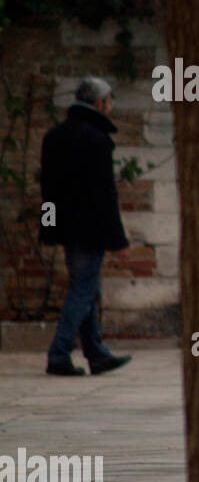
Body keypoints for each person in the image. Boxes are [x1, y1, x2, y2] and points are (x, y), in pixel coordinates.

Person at [39, 76, 133, 376]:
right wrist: (119, 240)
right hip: (89, 229)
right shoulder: (96, 139)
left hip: (66, 228)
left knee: (87, 289)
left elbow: (48, 190)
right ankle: (59, 353)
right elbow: (105, 194)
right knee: (83, 288)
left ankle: (96, 352)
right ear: (99, 103)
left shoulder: (54, 136)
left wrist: (48, 227)